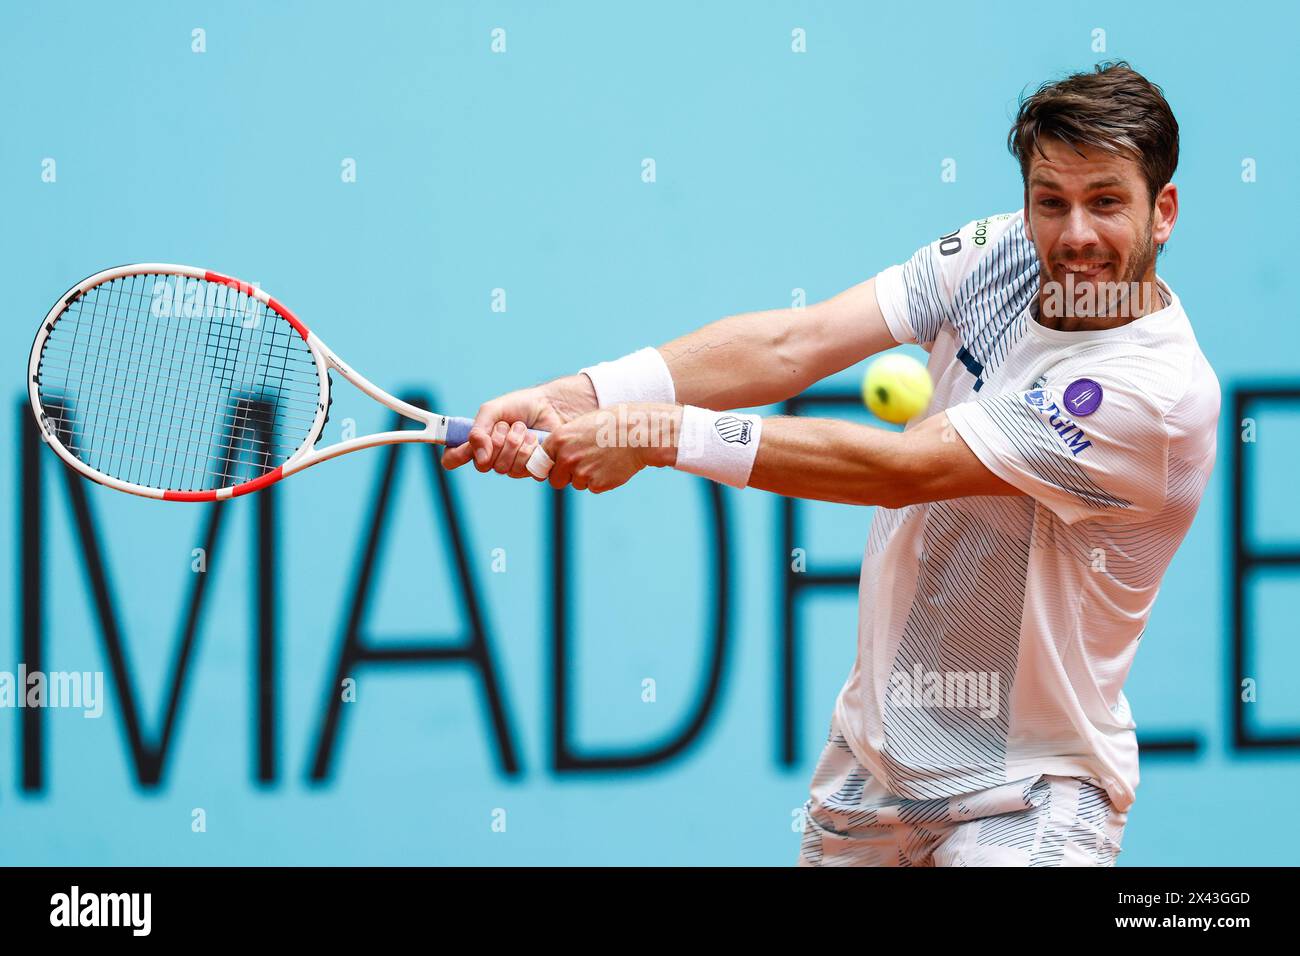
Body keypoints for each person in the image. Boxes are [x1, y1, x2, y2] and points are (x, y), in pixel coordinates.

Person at [441, 61, 1219, 866]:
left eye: (1106, 202)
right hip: (872, 765)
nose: (1075, 235)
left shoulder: (1148, 395)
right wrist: (580, 393)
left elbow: (904, 468)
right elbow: (795, 343)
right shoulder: (1000, 251)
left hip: (1031, 789)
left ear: (1163, 211)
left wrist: (656, 435)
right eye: (1050, 201)